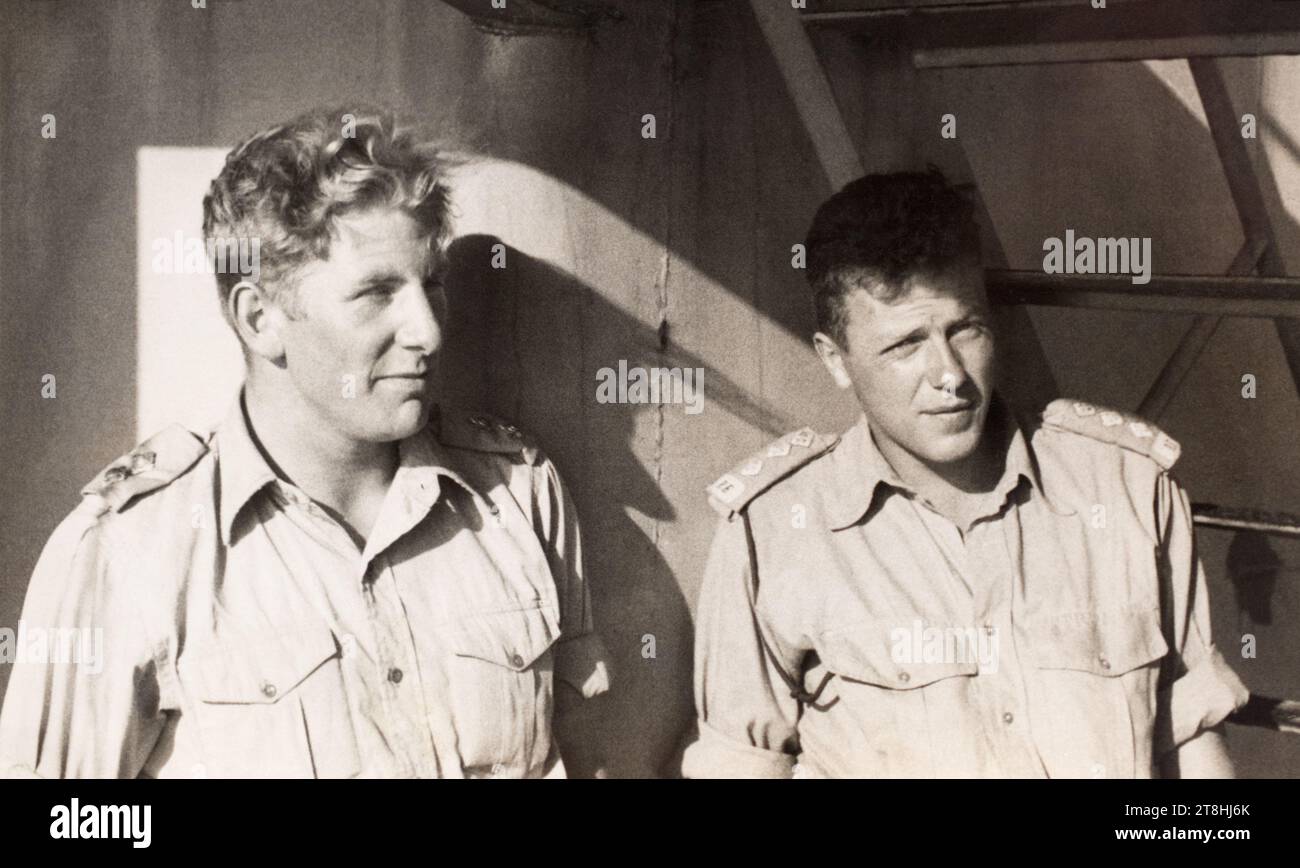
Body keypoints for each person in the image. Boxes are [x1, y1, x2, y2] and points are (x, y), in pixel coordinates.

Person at [0, 106, 610, 778]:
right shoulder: (128, 554)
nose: (430, 332)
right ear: (261, 319)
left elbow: (590, 758)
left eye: (431, 283)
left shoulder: (518, 492)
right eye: (376, 292)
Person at [683, 169, 1248, 778]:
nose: (949, 374)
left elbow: (1193, 745)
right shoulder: (771, 533)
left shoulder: (1127, 488)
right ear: (835, 359)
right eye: (905, 345)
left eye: (965, 329)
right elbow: (742, 767)